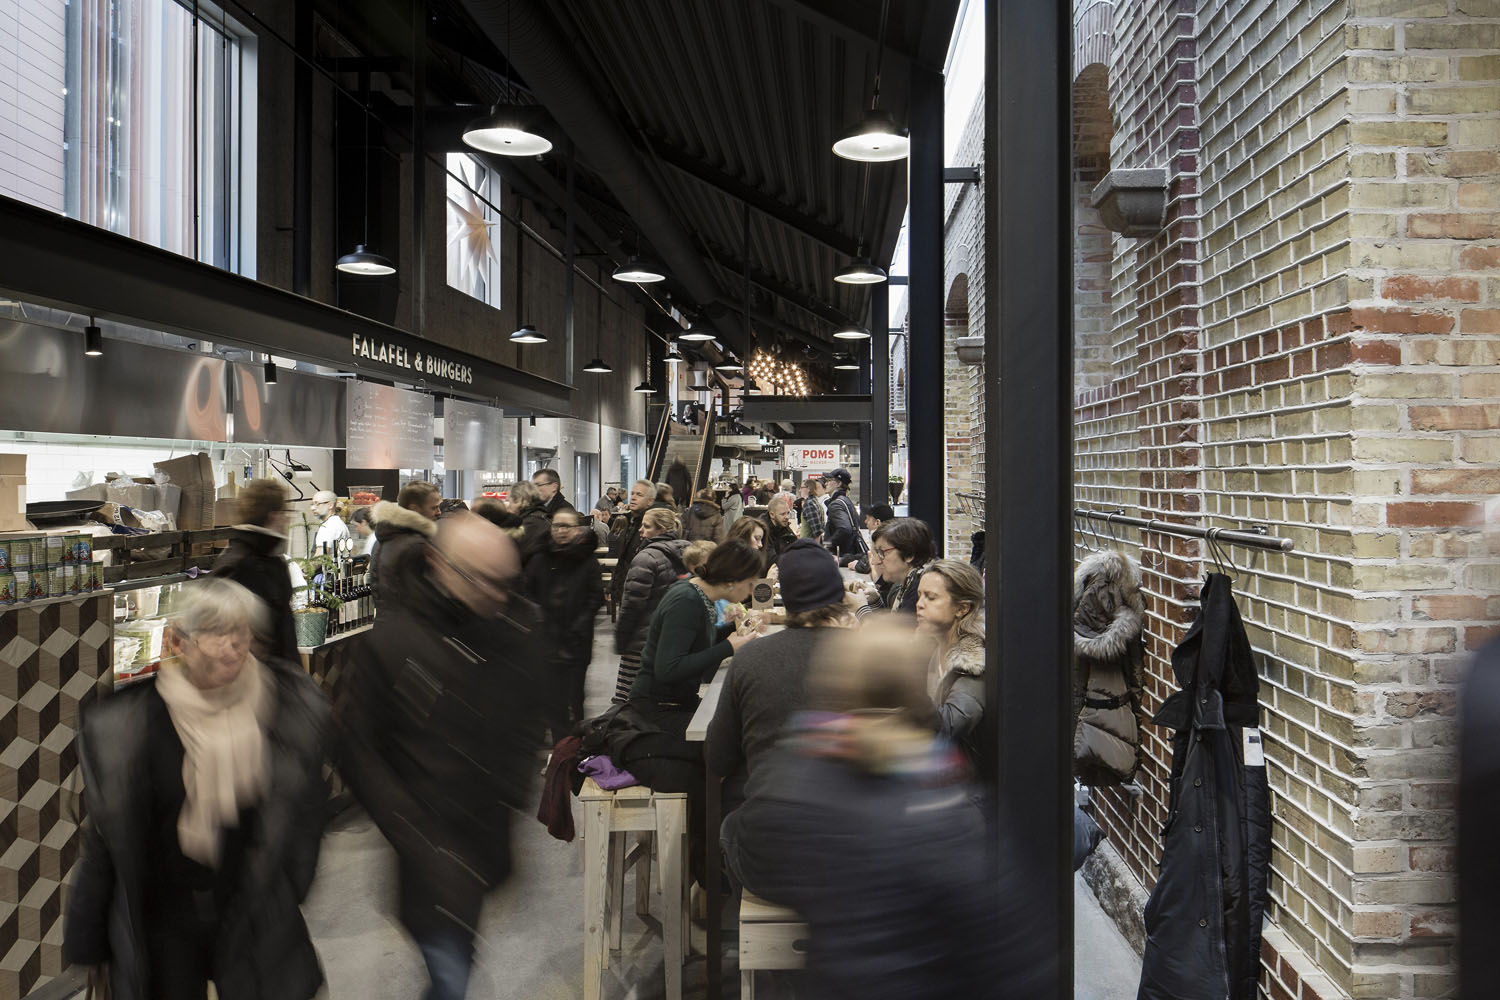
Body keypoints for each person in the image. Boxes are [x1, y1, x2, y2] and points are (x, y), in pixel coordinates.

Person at [718, 623, 1045, 999]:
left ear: (833, 687)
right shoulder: (945, 795)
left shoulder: (798, 776)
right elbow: (1012, 952)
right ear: (912, 693)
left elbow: (761, 855)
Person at [64, 578, 330, 1000]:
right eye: (216, 632)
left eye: (241, 631)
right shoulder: (134, 723)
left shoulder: (281, 709)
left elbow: (307, 805)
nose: (233, 645)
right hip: (165, 924)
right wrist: (90, 941)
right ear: (177, 642)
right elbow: (105, 841)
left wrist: (290, 884)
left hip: (252, 914)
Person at [339, 514, 544, 1000]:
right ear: (438, 565)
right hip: (427, 853)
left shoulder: (515, 626)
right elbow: (357, 751)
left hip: (482, 844)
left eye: (506, 583)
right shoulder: (392, 643)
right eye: (483, 581)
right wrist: (421, 842)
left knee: (457, 961)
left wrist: (511, 792)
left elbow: (529, 718)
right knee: (450, 967)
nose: (498, 595)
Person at [706, 540, 853, 810]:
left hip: (768, 822)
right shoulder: (873, 658)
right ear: (839, 592)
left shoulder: (751, 658)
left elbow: (718, 758)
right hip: (857, 823)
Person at [629, 539, 764, 735]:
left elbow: (693, 641)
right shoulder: (687, 600)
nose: (752, 592)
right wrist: (728, 646)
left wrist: (731, 631)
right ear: (731, 582)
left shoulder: (698, 594)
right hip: (657, 709)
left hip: (678, 701)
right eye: (750, 584)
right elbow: (668, 669)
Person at [524, 508, 605, 733]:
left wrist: (580, 624)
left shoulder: (587, 560)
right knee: (552, 699)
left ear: (577, 530)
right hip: (547, 639)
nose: (561, 531)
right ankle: (559, 746)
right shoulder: (539, 558)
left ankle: (575, 746)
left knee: (575, 697)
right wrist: (539, 620)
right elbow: (527, 592)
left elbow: (595, 596)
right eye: (557, 526)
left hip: (576, 640)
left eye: (566, 526)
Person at [211, 477, 299, 662]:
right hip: (257, 682)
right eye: (285, 512)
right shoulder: (246, 566)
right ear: (273, 516)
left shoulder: (262, 559)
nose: (287, 519)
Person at [612, 507, 691, 703]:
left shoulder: (645, 558)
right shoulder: (688, 553)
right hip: (673, 641)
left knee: (627, 701)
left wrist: (621, 641)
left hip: (640, 643)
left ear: (662, 529)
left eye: (646, 526)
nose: (640, 530)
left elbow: (631, 606)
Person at [915, 559, 987, 768]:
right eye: (920, 595)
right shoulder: (934, 645)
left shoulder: (973, 662)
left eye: (931, 597)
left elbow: (949, 725)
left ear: (962, 608)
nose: (919, 604)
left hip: (970, 786)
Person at [370, 480, 440, 617]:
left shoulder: (382, 539)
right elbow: (425, 600)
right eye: (434, 508)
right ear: (414, 509)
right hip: (411, 632)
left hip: (388, 627)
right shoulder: (415, 546)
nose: (439, 512)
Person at [854, 517, 936, 619]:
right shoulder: (904, 584)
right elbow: (892, 623)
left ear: (909, 555)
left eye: (882, 552)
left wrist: (860, 607)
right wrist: (876, 601)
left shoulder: (919, 588)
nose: (876, 561)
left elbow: (896, 633)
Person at [607, 479, 659, 618]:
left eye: (639, 495)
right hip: (628, 590)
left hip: (643, 596)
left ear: (650, 501)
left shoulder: (651, 526)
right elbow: (624, 558)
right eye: (632, 493)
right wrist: (615, 585)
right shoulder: (630, 522)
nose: (633, 497)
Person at [839, 503, 895, 571]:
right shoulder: (888, 536)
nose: (865, 522)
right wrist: (843, 560)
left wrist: (857, 565)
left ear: (877, 522)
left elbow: (875, 563)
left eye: (868, 519)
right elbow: (867, 556)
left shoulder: (887, 542)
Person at [509, 479, 552, 564]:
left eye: (508, 501)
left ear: (517, 500)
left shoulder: (529, 524)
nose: (508, 506)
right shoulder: (541, 516)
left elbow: (518, 556)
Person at [822, 468, 862, 556]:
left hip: (841, 555)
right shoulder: (846, 501)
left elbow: (845, 529)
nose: (826, 483)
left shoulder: (836, 504)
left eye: (829, 480)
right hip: (850, 552)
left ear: (838, 483)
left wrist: (828, 544)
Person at [761, 494, 799, 572]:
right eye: (783, 514)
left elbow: (796, 546)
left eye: (788, 513)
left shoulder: (783, 525)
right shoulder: (763, 530)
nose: (787, 517)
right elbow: (771, 560)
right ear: (772, 514)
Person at [800, 476, 827, 543]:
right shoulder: (815, 502)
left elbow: (817, 531)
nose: (799, 490)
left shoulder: (809, 504)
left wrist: (815, 549)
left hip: (808, 545)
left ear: (808, 488)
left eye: (802, 488)